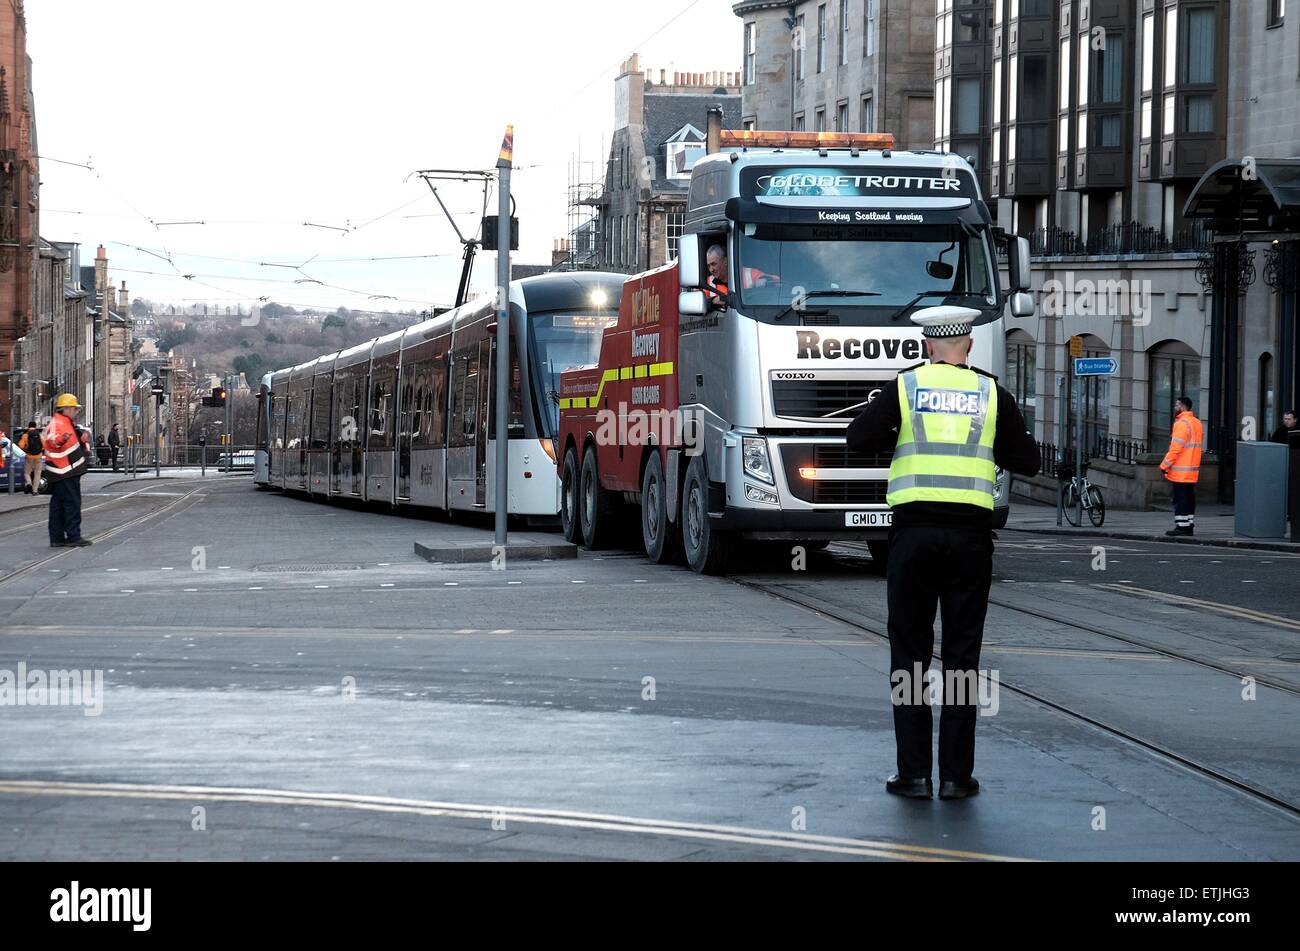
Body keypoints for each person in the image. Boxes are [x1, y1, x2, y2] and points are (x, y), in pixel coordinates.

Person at [847, 307, 1040, 800]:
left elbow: (858, 439)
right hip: (970, 541)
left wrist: (896, 433)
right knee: (961, 656)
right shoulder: (992, 392)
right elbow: (1029, 462)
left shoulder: (905, 387)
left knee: (909, 655)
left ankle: (913, 774)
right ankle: (956, 777)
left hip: (913, 537)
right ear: (969, 345)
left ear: (927, 345)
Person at [42, 393, 92, 548]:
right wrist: (60, 439)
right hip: (64, 471)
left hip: (63, 471)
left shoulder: (65, 422)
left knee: (58, 505)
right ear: (67, 409)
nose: (76, 411)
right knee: (71, 503)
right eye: (75, 409)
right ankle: (73, 536)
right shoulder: (59, 423)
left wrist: (81, 440)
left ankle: (57, 537)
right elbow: (51, 439)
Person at [1159, 395, 1203, 537]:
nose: (1175, 408)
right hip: (1192, 469)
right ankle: (1188, 525)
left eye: (1177, 405)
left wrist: (1164, 465)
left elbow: (1176, 449)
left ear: (1183, 407)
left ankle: (1182, 527)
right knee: (1189, 498)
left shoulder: (1181, 424)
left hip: (1180, 470)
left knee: (1180, 499)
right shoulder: (1197, 423)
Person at [16, 420, 42, 494]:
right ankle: (35, 491)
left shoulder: (25, 435)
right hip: (38, 456)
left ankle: (29, 483)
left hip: (29, 456)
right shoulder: (39, 435)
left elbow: (20, 445)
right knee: (37, 473)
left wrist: (26, 448)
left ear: (28, 426)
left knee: (27, 472)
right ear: (35, 426)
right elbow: (44, 444)